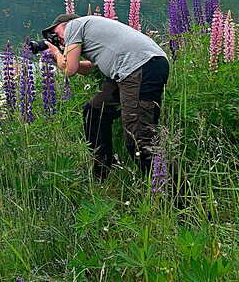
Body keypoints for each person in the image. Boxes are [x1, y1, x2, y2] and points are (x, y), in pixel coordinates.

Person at [42, 13, 170, 180]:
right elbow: (87, 67)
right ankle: (101, 176)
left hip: (140, 68)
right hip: (134, 68)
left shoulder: (74, 26)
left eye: (55, 33)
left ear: (67, 24)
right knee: (95, 112)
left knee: (140, 140)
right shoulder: (94, 32)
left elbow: (70, 70)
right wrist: (57, 56)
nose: (57, 39)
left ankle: (179, 197)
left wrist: (56, 54)